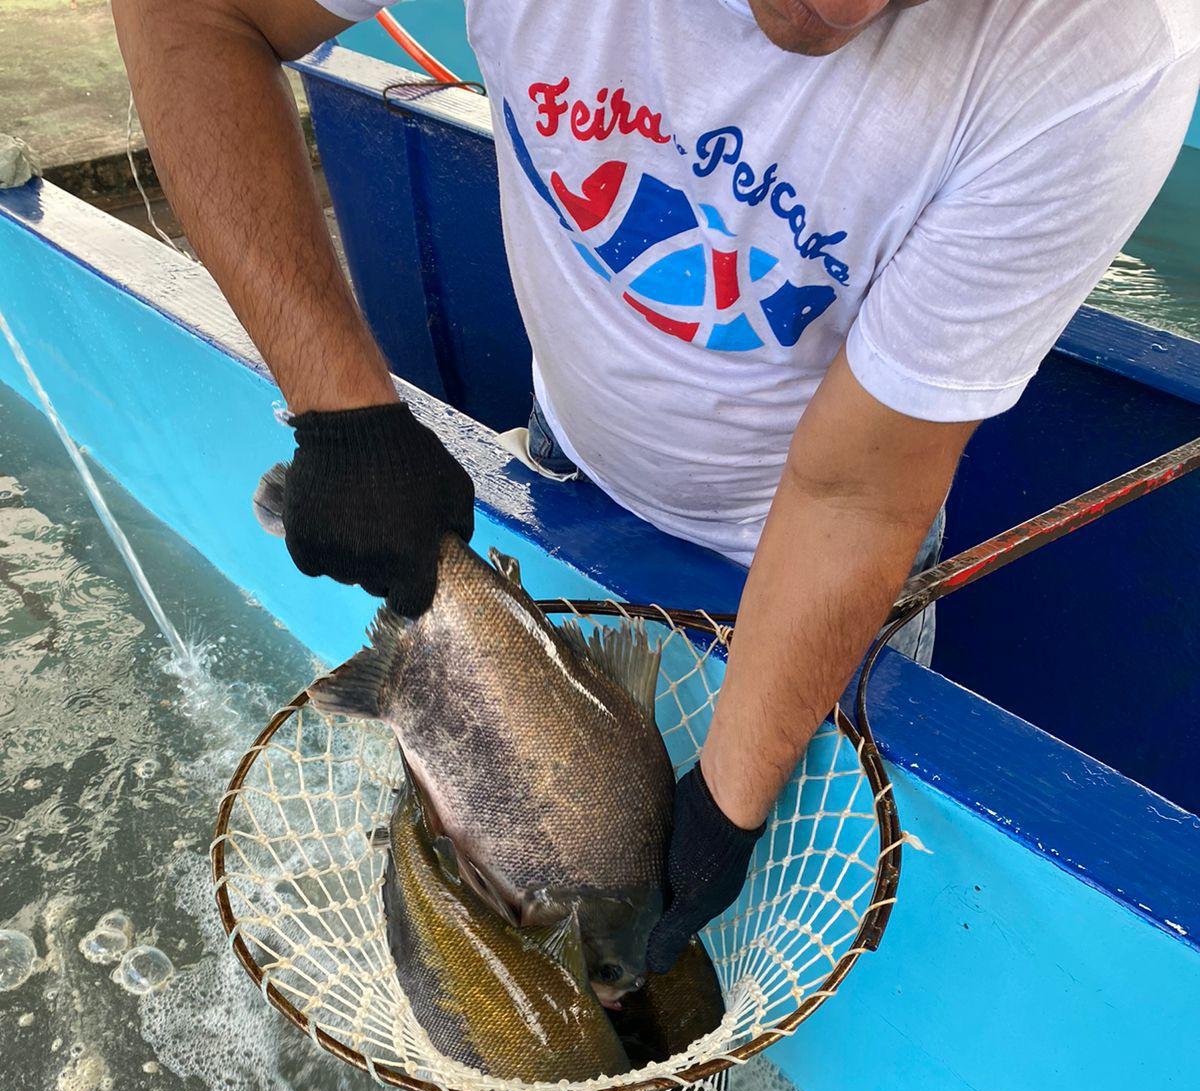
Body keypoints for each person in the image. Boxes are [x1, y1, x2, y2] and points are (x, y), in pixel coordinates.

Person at [113, 0, 1198, 972]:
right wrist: (342, 411)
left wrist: (728, 806)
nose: (843, 9)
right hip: (567, 458)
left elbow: (857, 495)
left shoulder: (1108, 45)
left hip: (825, 563)